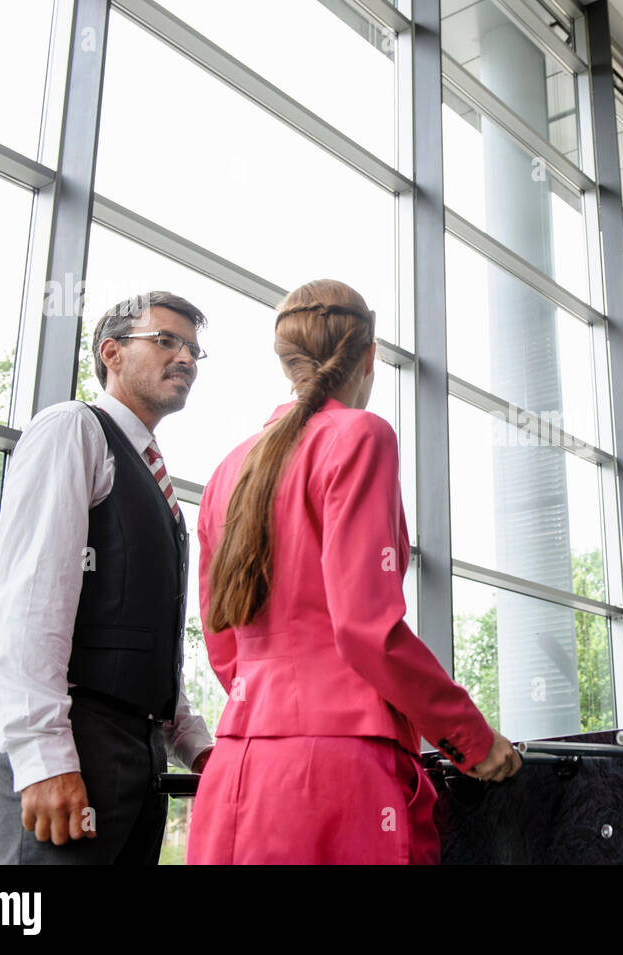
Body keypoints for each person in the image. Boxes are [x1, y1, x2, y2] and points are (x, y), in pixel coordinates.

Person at [187, 279, 520, 865]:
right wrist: (472, 739)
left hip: (239, 767)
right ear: (369, 357)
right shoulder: (361, 436)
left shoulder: (227, 468)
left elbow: (222, 642)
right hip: (340, 770)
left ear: (286, 362)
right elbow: (367, 631)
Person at [0, 292, 216, 864]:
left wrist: (196, 745)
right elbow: (33, 600)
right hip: (72, 737)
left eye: (192, 349)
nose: (184, 357)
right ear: (111, 352)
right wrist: (43, 759)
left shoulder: (158, 485)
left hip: (135, 749)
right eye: (165, 341)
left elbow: (144, 639)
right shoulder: (72, 429)